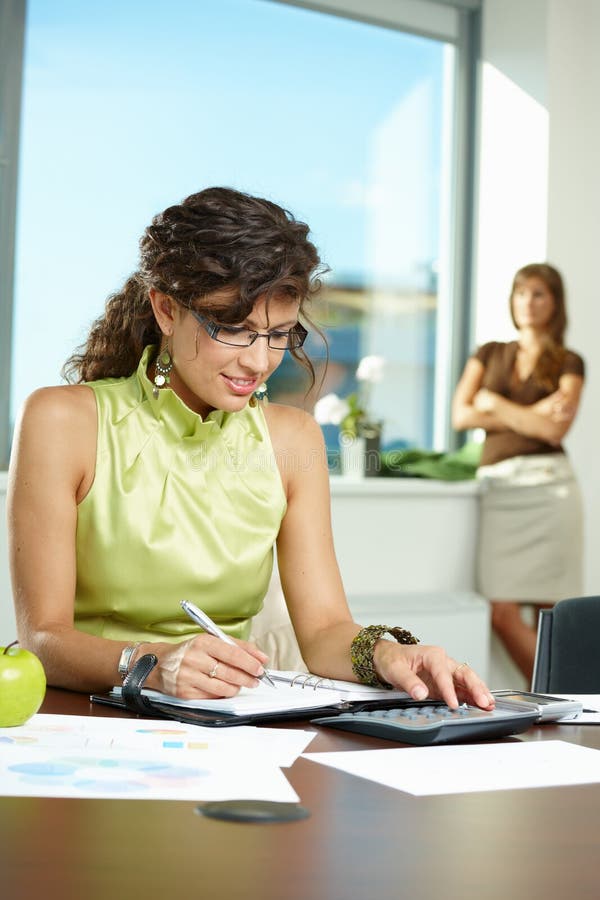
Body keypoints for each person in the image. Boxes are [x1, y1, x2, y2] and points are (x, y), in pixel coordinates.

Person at [8, 186, 494, 710]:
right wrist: (152, 664)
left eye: (279, 334)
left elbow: (325, 631)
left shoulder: (292, 439)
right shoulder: (62, 421)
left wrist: (387, 654)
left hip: (230, 720)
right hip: (89, 718)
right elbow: (43, 640)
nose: (259, 362)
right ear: (166, 310)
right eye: (233, 329)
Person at [452, 263, 584, 683]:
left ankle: (554, 700)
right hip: (502, 488)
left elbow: (555, 430)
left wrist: (494, 403)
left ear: (555, 302)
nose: (528, 302)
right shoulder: (489, 352)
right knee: (501, 612)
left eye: (538, 293)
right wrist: (534, 414)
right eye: (521, 293)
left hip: (551, 488)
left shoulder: (569, 361)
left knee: (554, 612)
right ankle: (562, 690)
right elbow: (460, 415)